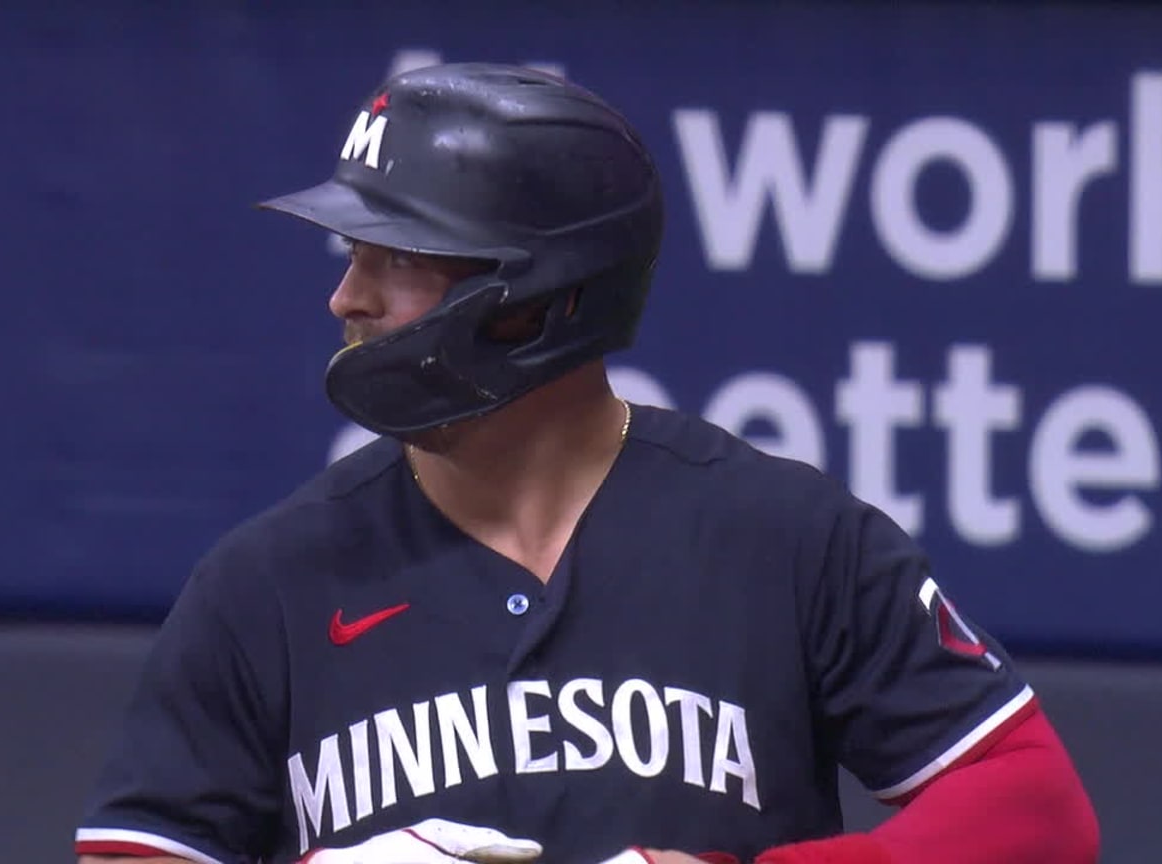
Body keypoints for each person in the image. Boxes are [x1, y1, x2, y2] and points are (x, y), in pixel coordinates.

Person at [75, 62, 1099, 864]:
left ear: (539, 295)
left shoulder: (784, 537)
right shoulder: (268, 583)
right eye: (352, 257)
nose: (349, 299)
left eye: (397, 259)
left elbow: (1032, 809)